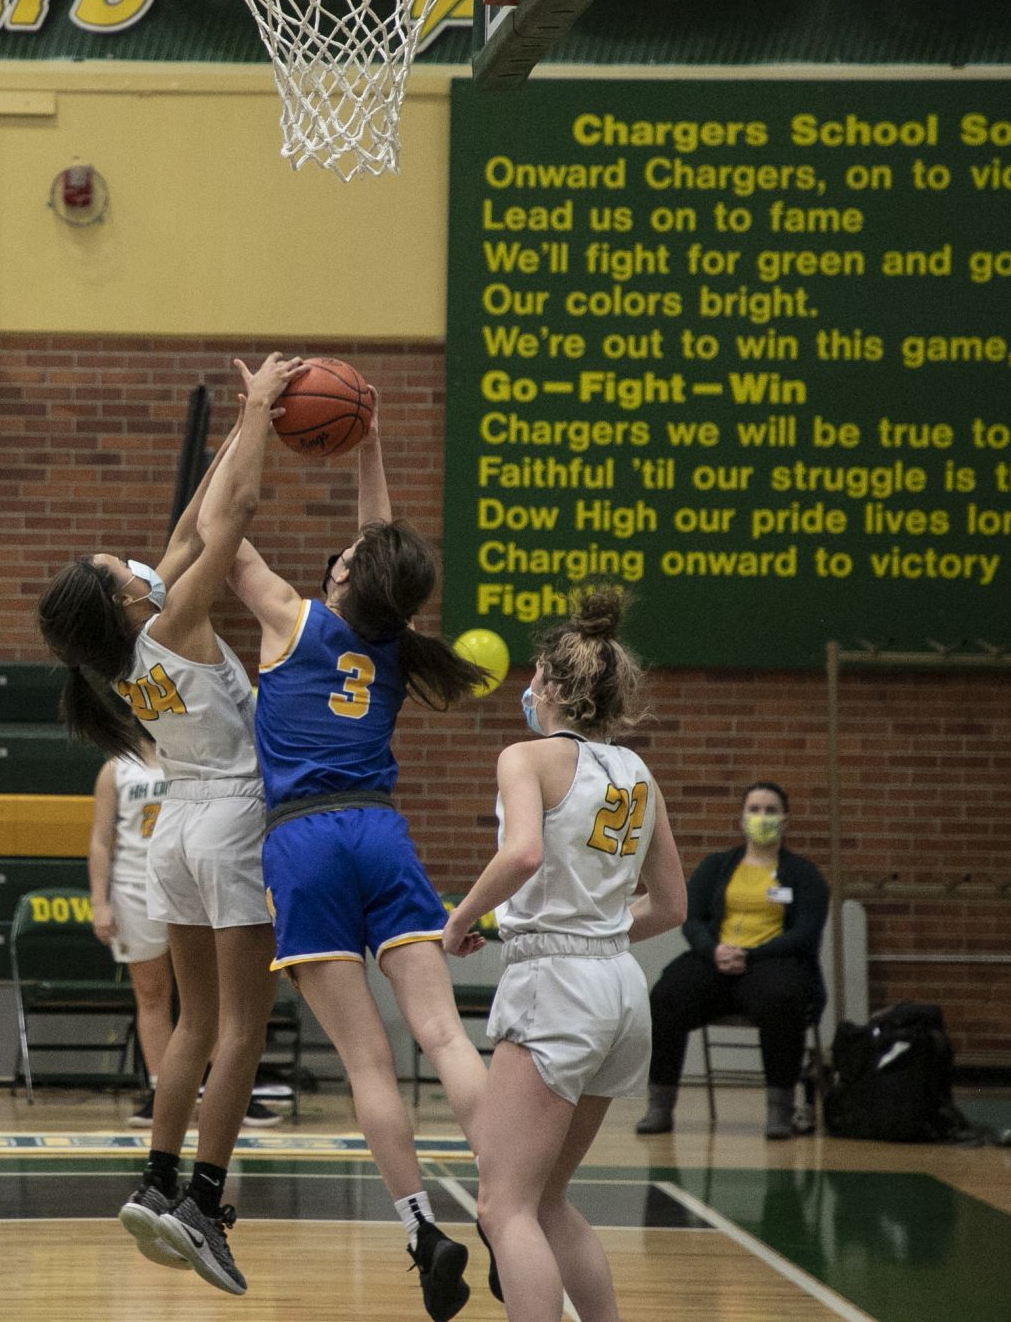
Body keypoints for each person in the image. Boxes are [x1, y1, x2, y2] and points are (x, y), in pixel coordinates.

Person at [219, 367, 491, 1321]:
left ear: (342, 581)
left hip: (303, 845)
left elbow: (223, 528)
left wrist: (256, 414)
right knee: (446, 1035)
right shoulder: (391, 641)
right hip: (381, 831)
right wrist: (366, 433)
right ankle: (503, 1203)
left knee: (370, 1066)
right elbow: (382, 543)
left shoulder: (293, 622)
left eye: (343, 555)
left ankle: (422, 1226)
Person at [35, 354, 303, 1296]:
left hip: (175, 826)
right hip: (229, 816)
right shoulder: (178, 619)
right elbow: (230, 522)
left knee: (192, 1020)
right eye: (121, 565)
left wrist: (239, 417)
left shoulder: (119, 658)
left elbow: (192, 521)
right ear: (124, 596)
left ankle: (153, 1180)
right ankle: (206, 1202)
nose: (136, 557)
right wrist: (265, 421)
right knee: (241, 1025)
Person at [443, 587, 687, 1322]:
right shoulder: (639, 773)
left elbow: (521, 852)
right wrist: (591, 932)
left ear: (546, 685)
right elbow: (671, 905)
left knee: (503, 1202)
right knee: (546, 1198)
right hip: (619, 986)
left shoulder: (527, 756)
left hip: (557, 987)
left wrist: (462, 917)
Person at [635, 781, 827, 1140]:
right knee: (667, 996)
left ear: (785, 820)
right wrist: (714, 950)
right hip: (716, 959)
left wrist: (751, 954)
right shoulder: (717, 866)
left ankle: (779, 1112)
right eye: (754, 809)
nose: (762, 817)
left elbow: (805, 934)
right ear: (741, 818)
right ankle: (659, 1106)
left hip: (773, 961)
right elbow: (690, 919)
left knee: (783, 1001)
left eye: (770, 810)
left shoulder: (804, 874)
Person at [88, 748, 174, 1126]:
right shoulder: (115, 769)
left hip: (190, 882)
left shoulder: (193, 755)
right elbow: (100, 841)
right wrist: (99, 902)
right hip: (135, 887)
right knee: (152, 994)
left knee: (215, 997)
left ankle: (227, 1087)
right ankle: (163, 1091)